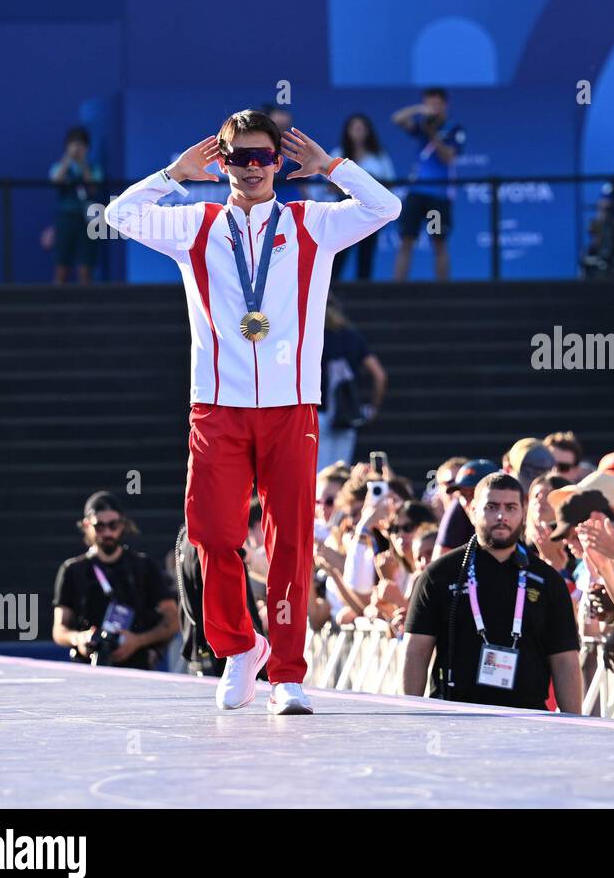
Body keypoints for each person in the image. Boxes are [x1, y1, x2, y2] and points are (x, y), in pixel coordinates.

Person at [104, 109, 401, 714]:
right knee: (211, 534)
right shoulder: (195, 223)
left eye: (264, 156)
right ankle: (241, 647)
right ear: (223, 162)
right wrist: (173, 174)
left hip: (291, 405)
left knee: (289, 539)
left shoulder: (311, 221)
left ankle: (288, 673)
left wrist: (332, 167)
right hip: (217, 406)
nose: (252, 168)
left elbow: (385, 209)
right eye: (238, 157)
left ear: (280, 162)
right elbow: (119, 216)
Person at [401, 472, 582, 710]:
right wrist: (411, 714)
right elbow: (417, 651)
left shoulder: (547, 581)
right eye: (491, 507)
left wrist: (574, 724)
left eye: (510, 508)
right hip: (455, 716)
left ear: (523, 511)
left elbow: (565, 660)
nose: (501, 516)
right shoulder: (440, 574)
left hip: (530, 720)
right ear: (474, 510)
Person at [52, 492, 178, 669]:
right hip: (88, 668)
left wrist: (136, 641)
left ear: (123, 524)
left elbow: (172, 621)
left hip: (138, 669)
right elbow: (59, 629)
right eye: (100, 526)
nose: (107, 532)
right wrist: (80, 638)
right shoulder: (72, 570)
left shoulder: (144, 566)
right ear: (87, 525)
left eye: (113, 525)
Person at [391, 88, 465, 281]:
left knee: (438, 241)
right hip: (416, 193)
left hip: (437, 196)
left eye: (436, 105)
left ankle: (442, 291)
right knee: (406, 239)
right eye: (429, 104)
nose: (433, 109)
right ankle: (396, 291)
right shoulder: (421, 126)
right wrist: (419, 110)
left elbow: (448, 157)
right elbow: (397, 119)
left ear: (445, 105)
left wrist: (434, 134)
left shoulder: (453, 128)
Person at [317, 295, 387, 469]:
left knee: (317, 474)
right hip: (347, 413)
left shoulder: (313, 336)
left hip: (317, 412)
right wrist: (373, 407)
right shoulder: (353, 338)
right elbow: (379, 374)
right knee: (341, 472)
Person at [328, 112, 396, 282]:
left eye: (361, 128)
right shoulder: (338, 153)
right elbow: (328, 184)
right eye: (354, 128)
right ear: (348, 131)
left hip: (370, 211)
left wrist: (372, 182)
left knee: (367, 251)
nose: (358, 132)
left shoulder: (379, 155)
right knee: (340, 250)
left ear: (368, 131)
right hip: (344, 209)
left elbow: (391, 182)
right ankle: (332, 292)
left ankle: (364, 291)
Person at [48, 126, 104, 285]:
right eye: (74, 145)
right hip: (65, 219)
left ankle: (86, 307)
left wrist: (83, 164)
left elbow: (93, 187)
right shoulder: (60, 167)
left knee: (85, 269)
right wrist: (68, 159)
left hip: (87, 221)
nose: (78, 149)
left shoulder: (93, 167)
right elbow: (55, 181)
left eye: (81, 146)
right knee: (61, 267)